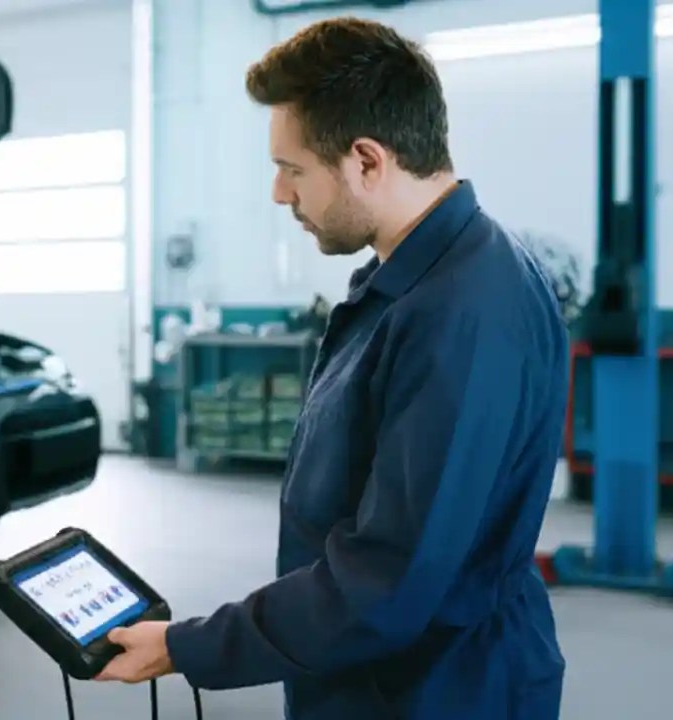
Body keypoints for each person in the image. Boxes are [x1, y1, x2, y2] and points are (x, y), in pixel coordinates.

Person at [93, 16, 568, 720]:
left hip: (434, 692)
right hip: (393, 675)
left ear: (367, 161)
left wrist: (186, 646)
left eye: (293, 170)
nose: (280, 194)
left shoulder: (459, 312)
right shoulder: (423, 276)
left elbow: (387, 581)